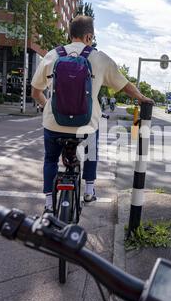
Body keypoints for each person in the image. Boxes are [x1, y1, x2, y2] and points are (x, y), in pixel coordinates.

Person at [31, 15, 153, 213]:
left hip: (54, 124)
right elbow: (124, 85)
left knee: (50, 159)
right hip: (86, 125)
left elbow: (35, 92)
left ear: (70, 35)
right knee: (91, 150)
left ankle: (47, 202)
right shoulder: (99, 58)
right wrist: (142, 99)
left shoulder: (52, 55)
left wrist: (47, 107)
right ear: (89, 37)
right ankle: (89, 189)